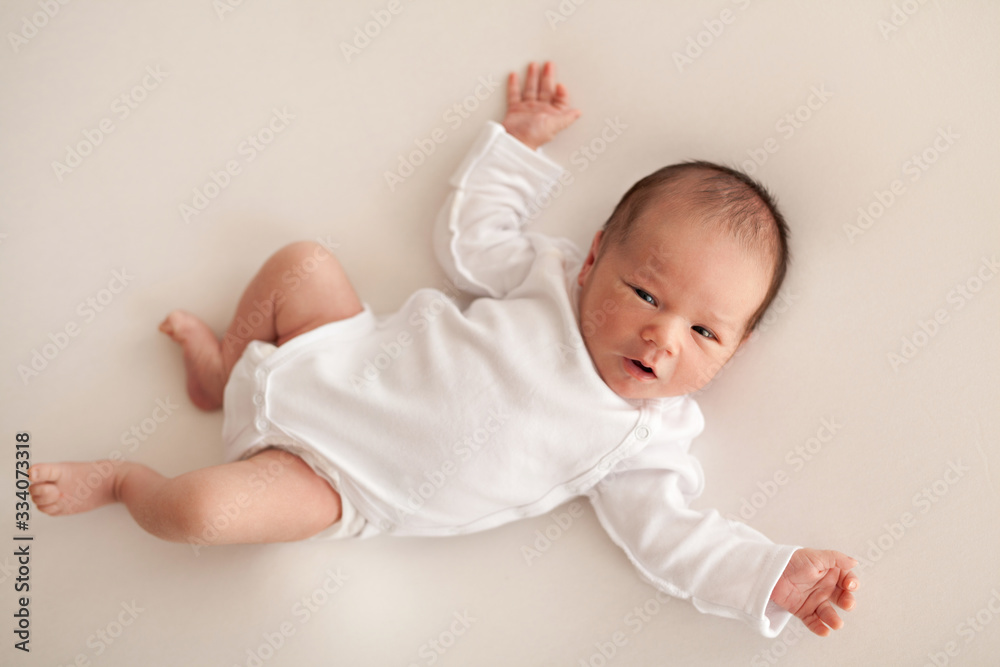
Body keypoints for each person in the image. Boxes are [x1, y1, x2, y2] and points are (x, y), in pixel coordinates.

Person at [29, 61, 858, 638]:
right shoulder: (548, 277)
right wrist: (517, 146)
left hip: (336, 481)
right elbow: (469, 238)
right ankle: (222, 372)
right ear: (595, 259)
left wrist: (773, 576)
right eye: (646, 293)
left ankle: (124, 481)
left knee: (197, 512)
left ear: (734, 353)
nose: (662, 336)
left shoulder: (640, 437)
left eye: (705, 332)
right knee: (302, 262)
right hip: (337, 352)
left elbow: (673, 536)